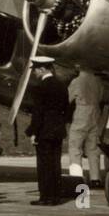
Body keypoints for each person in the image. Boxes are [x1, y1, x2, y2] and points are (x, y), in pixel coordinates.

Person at [25, 56, 69, 205]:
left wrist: (32, 132)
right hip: (58, 130)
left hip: (44, 131)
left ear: (43, 69)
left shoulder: (41, 87)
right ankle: (56, 196)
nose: (34, 73)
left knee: (44, 165)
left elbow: (38, 112)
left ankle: (46, 197)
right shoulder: (62, 85)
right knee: (55, 163)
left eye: (36, 70)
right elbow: (66, 109)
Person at [66, 67, 107, 188]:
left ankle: (76, 177)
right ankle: (95, 178)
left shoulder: (77, 81)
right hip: (95, 113)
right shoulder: (97, 81)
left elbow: (68, 98)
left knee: (75, 147)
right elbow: (100, 97)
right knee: (93, 148)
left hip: (81, 112)